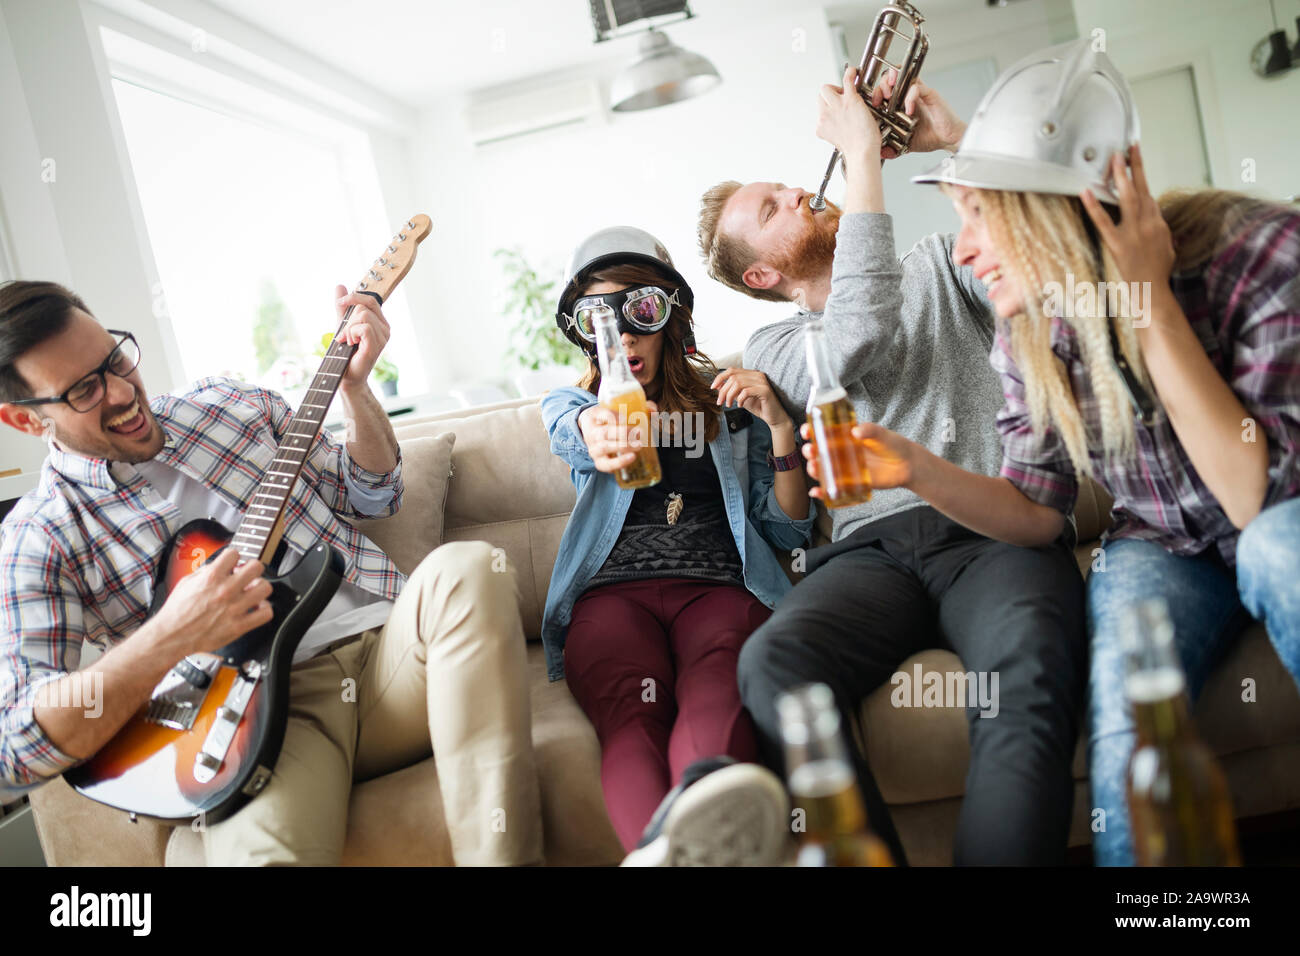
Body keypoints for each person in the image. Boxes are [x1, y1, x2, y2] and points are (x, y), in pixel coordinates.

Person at [817, 39, 1299, 865]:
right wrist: (915, 467)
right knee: (1126, 717)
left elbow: (1256, 504)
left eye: (979, 217)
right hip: (1162, 545)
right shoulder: (1034, 327)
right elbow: (1039, 511)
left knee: (1281, 549)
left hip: (1277, 517)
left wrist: (1146, 302)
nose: (962, 249)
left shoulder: (1257, 257)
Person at [0, 279, 542, 865]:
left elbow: (372, 494)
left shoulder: (227, 405)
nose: (122, 391)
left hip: (393, 656)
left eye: (115, 357)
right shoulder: (41, 536)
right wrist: (170, 633)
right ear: (25, 421)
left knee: (469, 568)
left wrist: (356, 390)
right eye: (83, 390)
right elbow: (16, 747)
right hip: (257, 724)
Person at [695, 65, 1088, 865]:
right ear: (762, 277)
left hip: (992, 524)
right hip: (871, 555)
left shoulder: (945, 261)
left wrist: (957, 143)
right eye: (773, 209)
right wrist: (866, 161)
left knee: (1027, 678)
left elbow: (1050, 250)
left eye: (785, 186)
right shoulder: (777, 347)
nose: (800, 194)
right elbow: (856, 340)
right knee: (773, 660)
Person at [541, 226, 813, 865]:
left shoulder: (730, 403)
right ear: (584, 331)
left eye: (641, 310)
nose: (626, 334)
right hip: (611, 599)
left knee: (715, 694)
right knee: (632, 719)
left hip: (718, 592)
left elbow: (787, 530)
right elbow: (571, 431)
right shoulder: (578, 403)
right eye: (602, 319)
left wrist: (778, 425)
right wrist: (600, 424)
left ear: (670, 317)